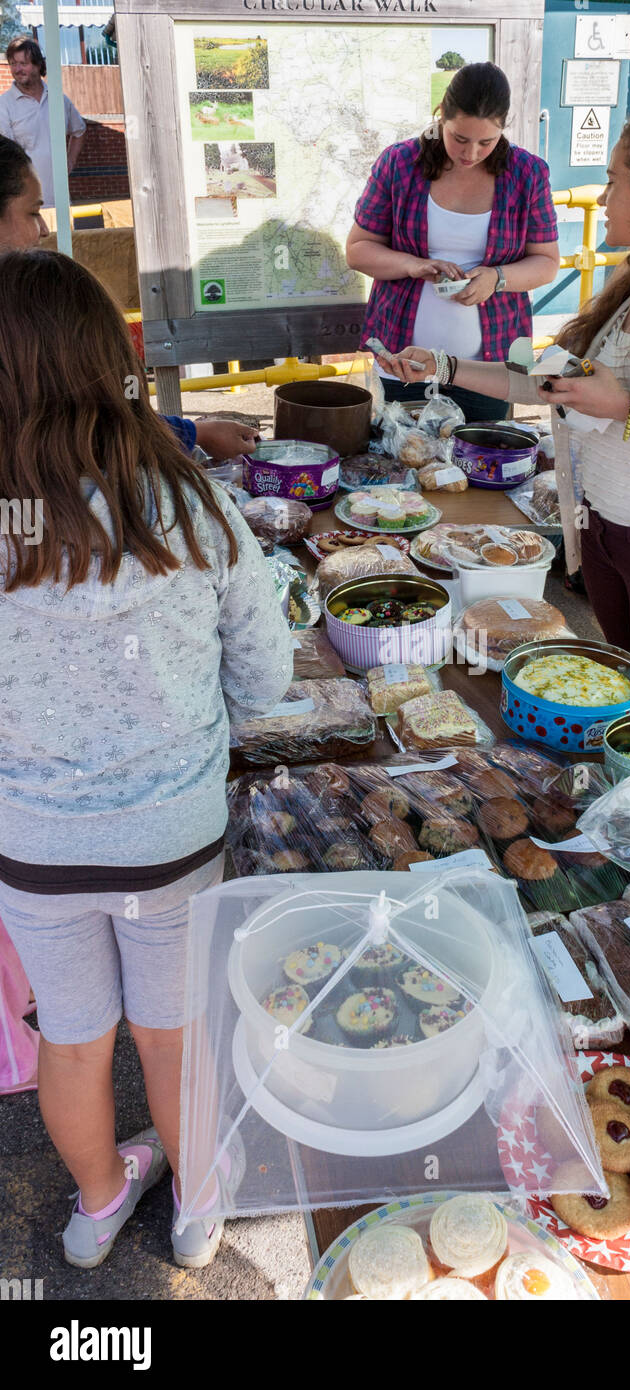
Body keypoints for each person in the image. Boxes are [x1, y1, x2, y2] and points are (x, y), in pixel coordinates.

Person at [0, 249, 294, 1268]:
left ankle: (94, 1207)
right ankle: (197, 1208)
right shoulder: (196, 512)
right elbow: (264, 681)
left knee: (72, 1040)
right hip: (172, 840)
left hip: (33, 848)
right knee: (171, 1033)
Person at [377, 107, 630, 716]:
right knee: (626, 697)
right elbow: (549, 382)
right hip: (600, 529)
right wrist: (440, 366)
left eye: (614, 179)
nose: (604, 195)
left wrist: (626, 406)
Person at [0, 134, 257, 463]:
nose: (45, 230)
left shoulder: (33, 308)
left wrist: (196, 433)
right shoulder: (45, 311)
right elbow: (93, 436)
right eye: (34, 212)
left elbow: (102, 422)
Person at [346, 61, 560, 422]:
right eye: (459, 138)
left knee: (482, 469)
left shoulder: (527, 173)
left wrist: (496, 278)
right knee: (400, 468)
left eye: (486, 142)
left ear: (503, 129)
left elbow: (547, 262)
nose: (471, 154)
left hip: (490, 369)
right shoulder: (399, 163)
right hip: (402, 362)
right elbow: (357, 250)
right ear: (441, 115)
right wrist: (412, 265)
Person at [0, 38, 86, 209]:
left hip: (61, 203)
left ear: (38, 65)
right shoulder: (4, 105)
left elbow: (79, 131)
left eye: (23, 63)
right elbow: (6, 157)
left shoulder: (59, 99)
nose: (17, 69)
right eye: (13, 64)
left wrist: (70, 161)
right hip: (26, 208)